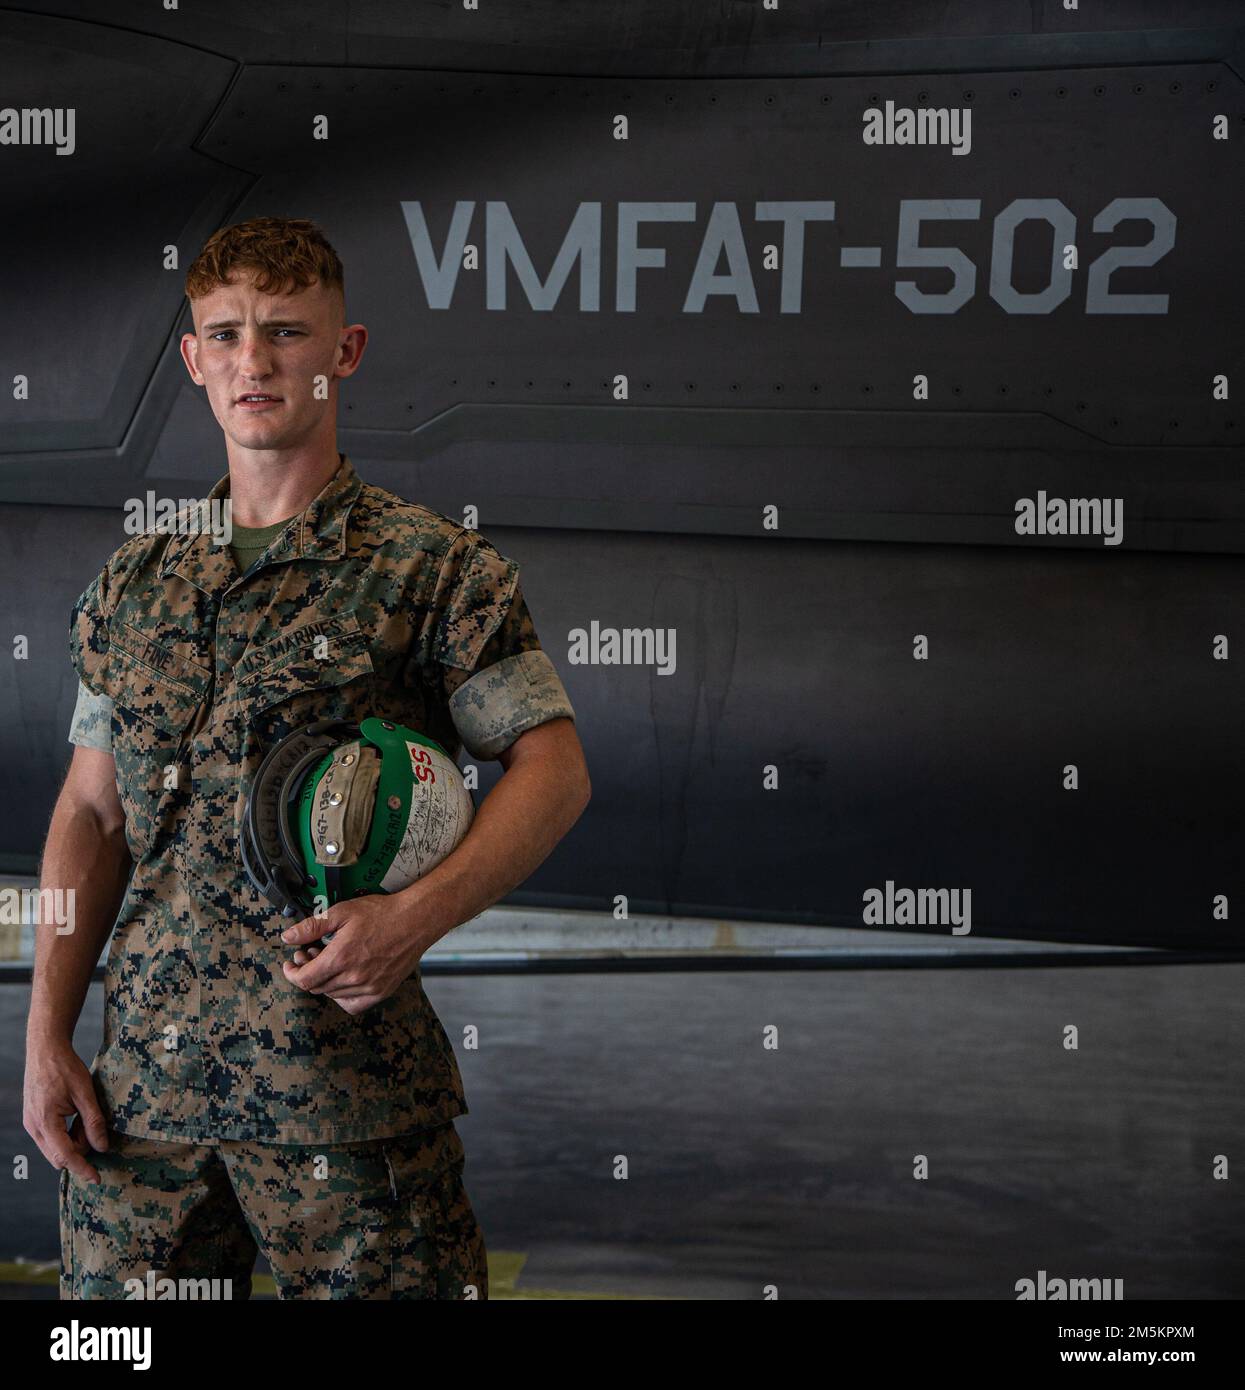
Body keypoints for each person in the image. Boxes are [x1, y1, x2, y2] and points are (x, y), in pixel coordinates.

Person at [23, 215, 591, 1299]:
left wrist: (413, 918)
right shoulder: (134, 587)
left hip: (346, 1102)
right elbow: (90, 818)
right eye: (226, 334)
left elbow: (555, 771)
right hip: (139, 1115)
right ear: (193, 359)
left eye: (287, 332)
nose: (255, 361)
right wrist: (46, 1033)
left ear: (347, 350)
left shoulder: (430, 571)